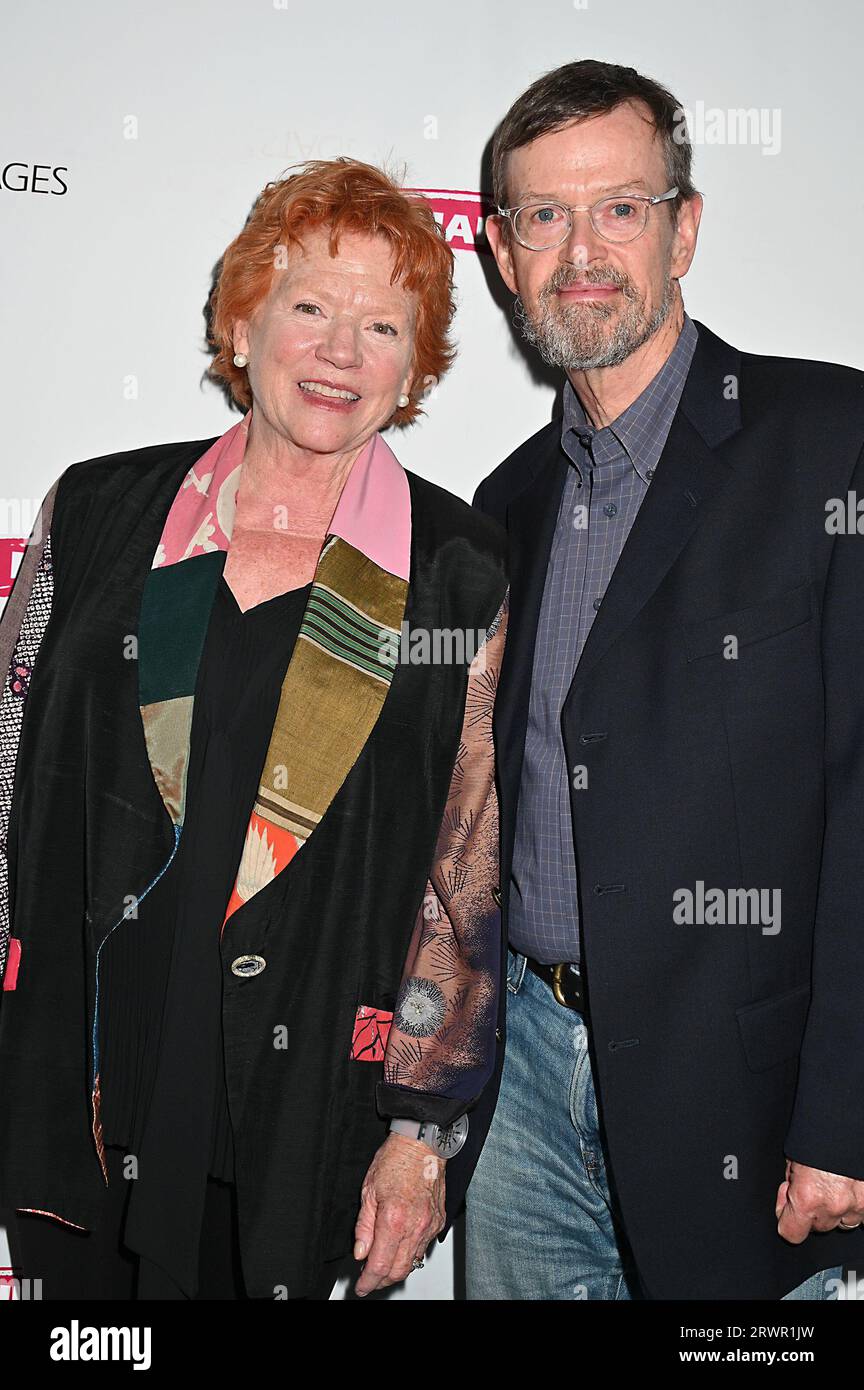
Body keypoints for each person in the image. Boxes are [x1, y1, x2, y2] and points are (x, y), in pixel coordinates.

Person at [0, 157, 509, 1300]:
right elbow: (2, 763)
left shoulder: (460, 570)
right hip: (82, 1084)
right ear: (243, 323)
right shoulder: (94, 510)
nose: (341, 350)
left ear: (413, 367)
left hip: (297, 1107)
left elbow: (466, 878)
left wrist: (419, 1134)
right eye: (311, 306)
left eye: (385, 324)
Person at [463, 59, 864, 1300]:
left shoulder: (830, 441)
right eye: (545, 216)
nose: (583, 251)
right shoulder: (505, 506)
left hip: (746, 1097)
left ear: (684, 229)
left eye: (622, 208)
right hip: (520, 1091)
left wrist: (846, 1111)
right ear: (500, 251)